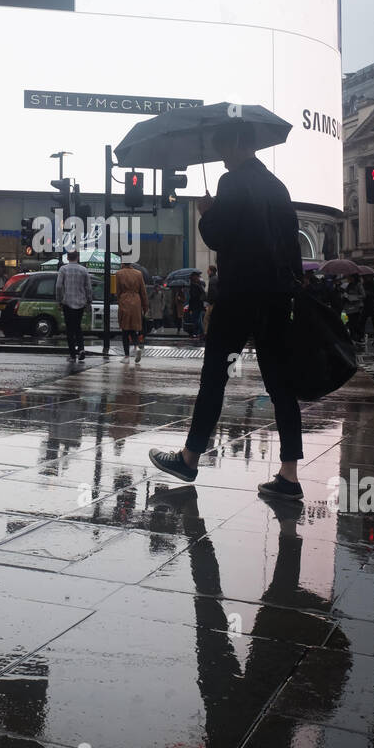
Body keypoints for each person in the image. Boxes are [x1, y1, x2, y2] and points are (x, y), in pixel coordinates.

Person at [149, 120, 305, 501]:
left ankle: (189, 458)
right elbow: (293, 248)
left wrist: (207, 212)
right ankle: (288, 474)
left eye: (223, 148)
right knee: (282, 384)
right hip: (276, 297)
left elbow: (217, 235)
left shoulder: (232, 183)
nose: (220, 157)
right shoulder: (277, 186)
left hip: (239, 297)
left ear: (237, 143)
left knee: (215, 376)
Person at [55, 248, 93, 362]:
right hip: (80, 303)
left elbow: (58, 286)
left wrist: (59, 300)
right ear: (78, 257)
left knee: (69, 329)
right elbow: (88, 288)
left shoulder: (63, 269)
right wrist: (89, 301)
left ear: (67, 258)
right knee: (77, 327)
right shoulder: (84, 270)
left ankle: (72, 355)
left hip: (67, 302)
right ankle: (81, 348)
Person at [116, 261, 149, 362]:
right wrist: (145, 306)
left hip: (124, 300)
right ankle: (137, 346)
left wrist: (120, 300)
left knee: (125, 330)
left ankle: (126, 356)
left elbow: (118, 290)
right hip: (136, 301)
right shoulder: (138, 274)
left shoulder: (119, 273)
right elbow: (143, 291)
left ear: (123, 263)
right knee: (133, 328)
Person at [188, 270, 206, 338]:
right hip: (199, 305)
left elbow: (193, 297)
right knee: (198, 319)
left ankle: (200, 332)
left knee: (196, 320)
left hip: (195, 305)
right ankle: (200, 333)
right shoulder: (199, 285)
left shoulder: (194, 286)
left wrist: (190, 307)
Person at [205, 264, 218, 334]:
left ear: (211, 271)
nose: (207, 271)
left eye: (208, 270)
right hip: (213, 302)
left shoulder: (212, 280)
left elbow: (213, 292)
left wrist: (210, 301)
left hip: (212, 303)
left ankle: (206, 334)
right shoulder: (214, 278)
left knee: (206, 319)